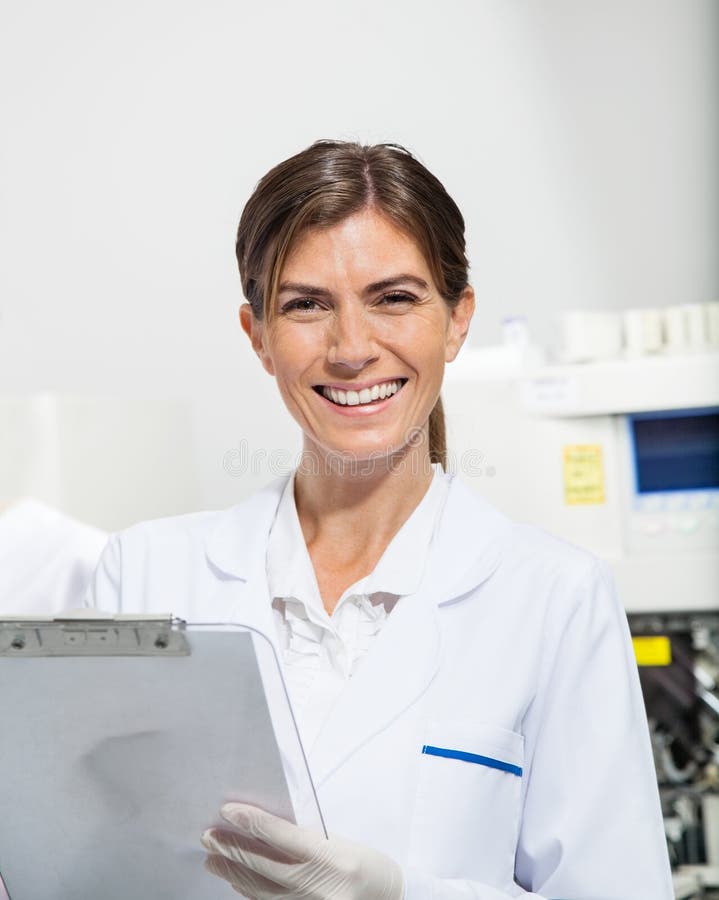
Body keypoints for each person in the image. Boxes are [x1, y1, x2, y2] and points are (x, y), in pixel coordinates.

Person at [89, 141, 673, 899]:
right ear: (257, 335)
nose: (352, 348)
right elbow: (83, 858)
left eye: (393, 298)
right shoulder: (145, 575)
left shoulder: (554, 597)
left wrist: (402, 896)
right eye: (305, 304)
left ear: (456, 320)